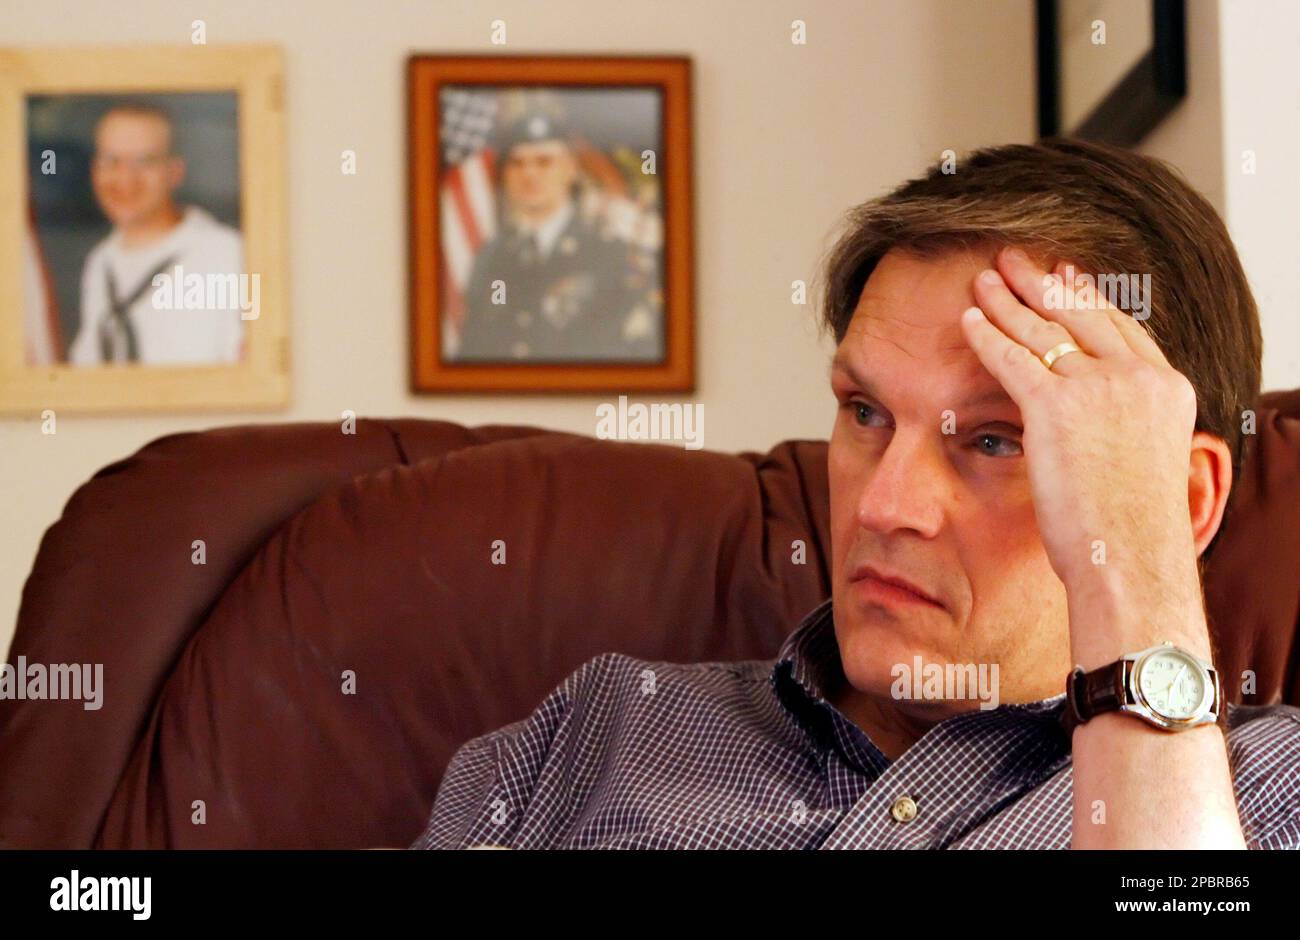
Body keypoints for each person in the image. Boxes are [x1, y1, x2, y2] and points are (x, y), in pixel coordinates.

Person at [415, 139, 1300, 849]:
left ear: (1180, 502)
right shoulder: (591, 732)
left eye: (994, 439)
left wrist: (1140, 601)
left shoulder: (1272, 794)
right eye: (865, 411)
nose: (882, 505)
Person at [455, 111, 661, 363]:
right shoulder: (491, 257)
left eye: (544, 161)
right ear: (504, 175)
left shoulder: (611, 251)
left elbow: (636, 347)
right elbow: (475, 348)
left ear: (571, 169)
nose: (529, 174)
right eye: (517, 163)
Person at [68, 103, 244, 366]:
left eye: (144, 162)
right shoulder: (100, 262)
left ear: (175, 173)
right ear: (95, 171)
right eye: (111, 161)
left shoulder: (228, 255)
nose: (125, 179)